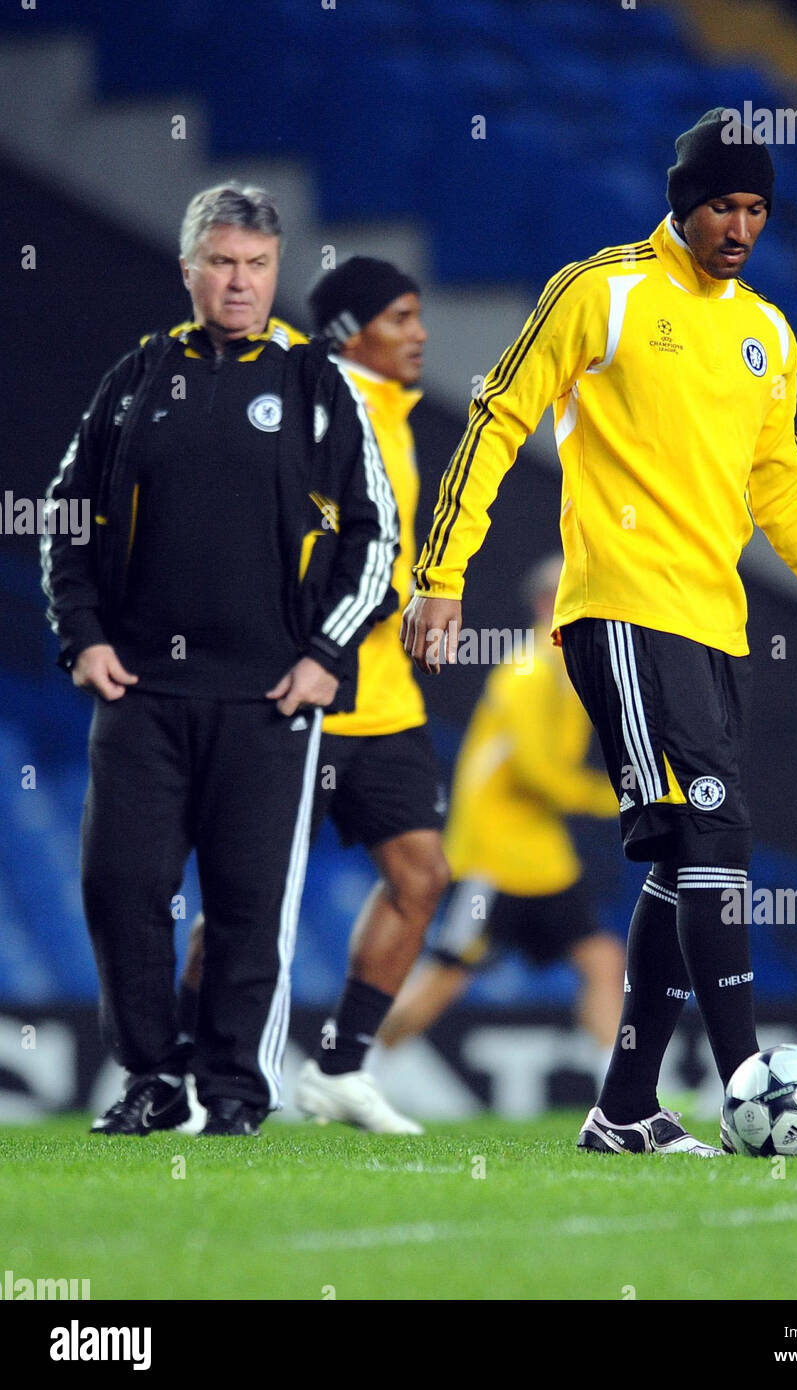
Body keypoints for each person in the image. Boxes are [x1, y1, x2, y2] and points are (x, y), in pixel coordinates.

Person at [401, 109, 797, 1157]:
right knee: (715, 836)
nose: (739, 225)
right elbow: (499, 411)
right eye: (722, 204)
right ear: (682, 202)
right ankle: (746, 1078)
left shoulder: (765, 332)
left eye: (755, 209)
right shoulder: (600, 292)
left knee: (682, 859)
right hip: (620, 608)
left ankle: (625, 1107)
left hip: (711, 626)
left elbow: (781, 492)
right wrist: (442, 572)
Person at [42, 186, 399, 1137]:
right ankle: (155, 1076)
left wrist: (327, 654)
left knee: (249, 906)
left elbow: (379, 537)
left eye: (256, 266)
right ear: (189, 268)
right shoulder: (138, 376)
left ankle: (238, 1091)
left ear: (275, 273)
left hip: (269, 697)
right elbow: (63, 517)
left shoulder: (317, 382)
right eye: (221, 263)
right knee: (120, 888)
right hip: (142, 692)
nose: (238, 282)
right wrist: (83, 634)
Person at [177, 257, 450, 1133]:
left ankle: (338, 1067)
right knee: (242, 897)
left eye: (416, 316)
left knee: (421, 876)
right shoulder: (307, 392)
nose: (417, 333)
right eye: (400, 317)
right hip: (296, 688)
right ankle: (181, 1072)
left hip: (388, 701)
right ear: (348, 333)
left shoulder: (399, 415)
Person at [380, 555, 624, 1054]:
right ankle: (347, 1064)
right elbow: (540, 775)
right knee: (447, 979)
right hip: (491, 858)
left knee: (602, 961)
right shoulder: (530, 672)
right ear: (543, 604)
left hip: (540, 857)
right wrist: (621, 799)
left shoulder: (564, 668)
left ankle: (616, 1090)